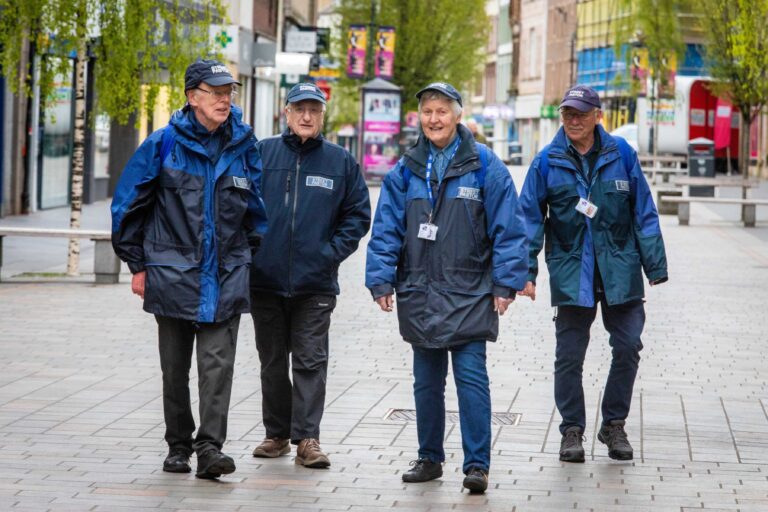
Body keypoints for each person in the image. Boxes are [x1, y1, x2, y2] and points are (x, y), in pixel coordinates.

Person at [365, 82, 528, 493]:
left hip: (471, 290)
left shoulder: (485, 166)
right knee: (425, 381)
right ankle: (429, 457)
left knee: (471, 378)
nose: (434, 119)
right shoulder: (407, 168)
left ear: (458, 115)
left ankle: (477, 465)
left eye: (442, 111)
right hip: (420, 289)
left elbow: (508, 229)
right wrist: (381, 278)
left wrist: (506, 284)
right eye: (427, 112)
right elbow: (386, 227)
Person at [111, 59, 268, 479]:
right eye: (215, 91)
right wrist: (137, 265)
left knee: (218, 368)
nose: (224, 99)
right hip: (172, 276)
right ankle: (178, 446)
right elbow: (129, 207)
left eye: (228, 91)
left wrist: (244, 256)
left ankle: (210, 448)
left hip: (227, 275)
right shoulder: (162, 144)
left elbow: (256, 211)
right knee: (175, 369)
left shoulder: (244, 145)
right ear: (192, 96)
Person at [517, 85, 668, 464]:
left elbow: (644, 212)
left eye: (581, 113)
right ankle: (572, 429)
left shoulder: (623, 155)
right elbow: (529, 220)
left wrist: (655, 265)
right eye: (567, 113)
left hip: (620, 270)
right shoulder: (547, 161)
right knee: (569, 356)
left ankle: (613, 424)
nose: (572, 119)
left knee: (629, 347)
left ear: (598, 116)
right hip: (572, 271)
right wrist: (525, 271)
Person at [249, 82, 370, 469]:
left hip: (314, 284)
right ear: (286, 112)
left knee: (309, 361)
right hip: (264, 281)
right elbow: (239, 204)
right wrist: (252, 251)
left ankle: (308, 438)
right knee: (271, 361)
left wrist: (329, 254)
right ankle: (277, 434)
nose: (306, 116)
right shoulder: (261, 154)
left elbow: (358, 215)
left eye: (313, 110)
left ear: (322, 115)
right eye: (299, 108)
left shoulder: (340, 162)